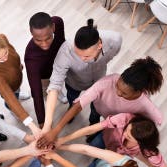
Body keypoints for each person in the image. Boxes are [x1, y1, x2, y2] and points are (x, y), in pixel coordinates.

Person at [38, 57, 163, 147]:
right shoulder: (109, 81)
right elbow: (79, 104)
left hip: (115, 125)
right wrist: (55, 130)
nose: (118, 93)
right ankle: (95, 128)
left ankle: (97, 132)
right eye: (117, 87)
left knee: (100, 135)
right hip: (98, 108)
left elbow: (156, 123)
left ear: (139, 91)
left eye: (124, 93)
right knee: (93, 118)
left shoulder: (146, 105)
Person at [39, 18, 122, 146]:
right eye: (78, 55)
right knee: (72, 99)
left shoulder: (115, 40)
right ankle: (70, 112)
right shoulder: (65, 51)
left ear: (100, 45)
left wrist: (101, 64)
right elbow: (54, 86)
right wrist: (48, 124)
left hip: (99, 83)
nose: (82, 59)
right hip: (74, 83)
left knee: (96, 107)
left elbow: (112, 54)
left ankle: (93, 123)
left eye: (86, 56)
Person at [58, 113, 167, 167]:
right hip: (105, 138)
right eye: (126, 129)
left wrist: (143, 159)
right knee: (92, 146)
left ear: (141, 143)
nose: (123, 134)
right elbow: (91, 129)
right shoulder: (124, 118)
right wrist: (63, 140)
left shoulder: (148, 150)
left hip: (114, 157)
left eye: (129, 137)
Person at [0, 34, 44, 139]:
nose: (5, 58)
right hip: (8, 89)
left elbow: (13, 54)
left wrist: (18, 66)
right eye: (0, 59)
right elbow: (8, 95)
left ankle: (18, 94)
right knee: (11, 101)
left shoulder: (3, 38)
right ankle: (12, 109)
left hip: (17, 79)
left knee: (17, 92)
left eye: (5, 53)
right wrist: (31, 124)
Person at [24, 12, 68, 125]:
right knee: (44, 92)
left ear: (53, 27)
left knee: (59, 84)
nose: (44, 44)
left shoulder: (57, 22)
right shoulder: (30, 58)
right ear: (31, 32)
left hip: (60, 67)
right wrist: (42, 122)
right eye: (38, 40)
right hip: (44, 77)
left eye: (48, 38)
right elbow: (36, 93)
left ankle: (58, 91)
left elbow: (62, 40)